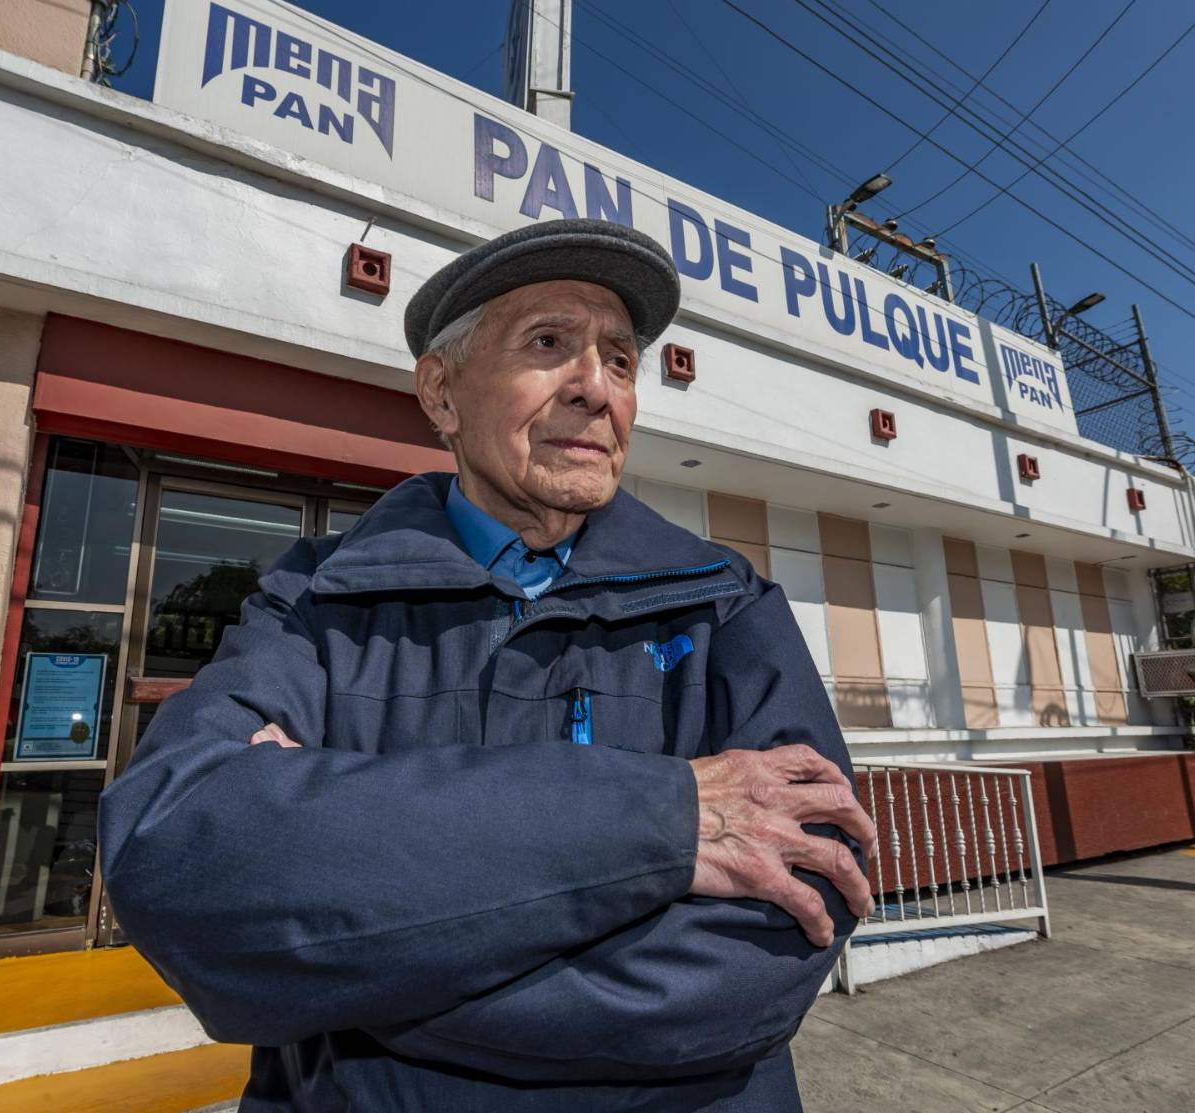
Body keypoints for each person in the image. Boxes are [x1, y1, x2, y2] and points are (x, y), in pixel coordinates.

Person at [99, 218, 876, 1112]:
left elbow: (781, 937)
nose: (596, 387)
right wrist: (663, 819)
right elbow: (181, 857)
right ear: (440, 391)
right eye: (549, 343)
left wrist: (360, 975)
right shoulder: (314, 599)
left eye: (621, 361)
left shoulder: (725, 603)